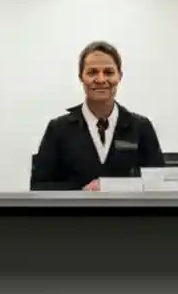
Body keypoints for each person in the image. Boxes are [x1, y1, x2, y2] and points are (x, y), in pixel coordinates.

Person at [30, 41, 165, 191]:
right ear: (81, 77)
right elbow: (38, 187)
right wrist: (81, 191)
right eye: (92, 72)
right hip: (74, 214)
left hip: (127, 214)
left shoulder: (141, 128)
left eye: (108, 72)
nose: (101, 80)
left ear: (119, 76)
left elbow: (158, 185)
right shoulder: (58, 129)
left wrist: (111, 187)